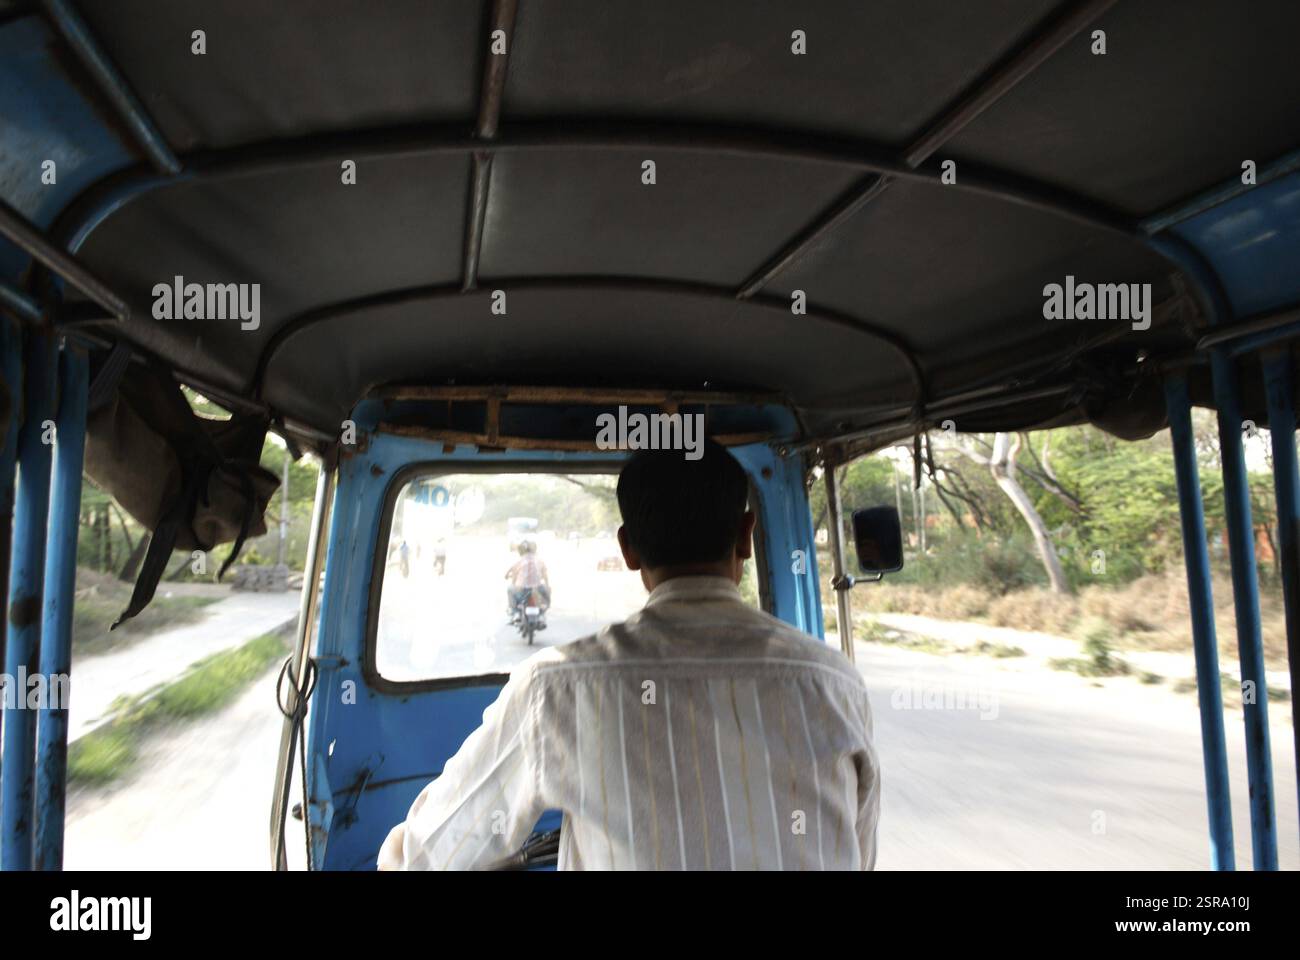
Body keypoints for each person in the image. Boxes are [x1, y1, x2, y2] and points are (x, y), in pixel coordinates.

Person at [379, 439, 879, 870]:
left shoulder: (555, 689)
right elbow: (858, 852)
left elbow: (431, 855)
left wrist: (397, 850)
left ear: (628, 549)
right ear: (746, 536)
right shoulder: (834, 681)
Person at [504, 540, 550, 617]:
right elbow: (545, 575)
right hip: (537, 589)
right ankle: (543, 609)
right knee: (546, 592)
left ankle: (513, 610)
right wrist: (547, 586)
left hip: (522, 590)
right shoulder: (539, 560)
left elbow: (512, 575)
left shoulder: (519, 561)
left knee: (510, 589)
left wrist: (511, 580)